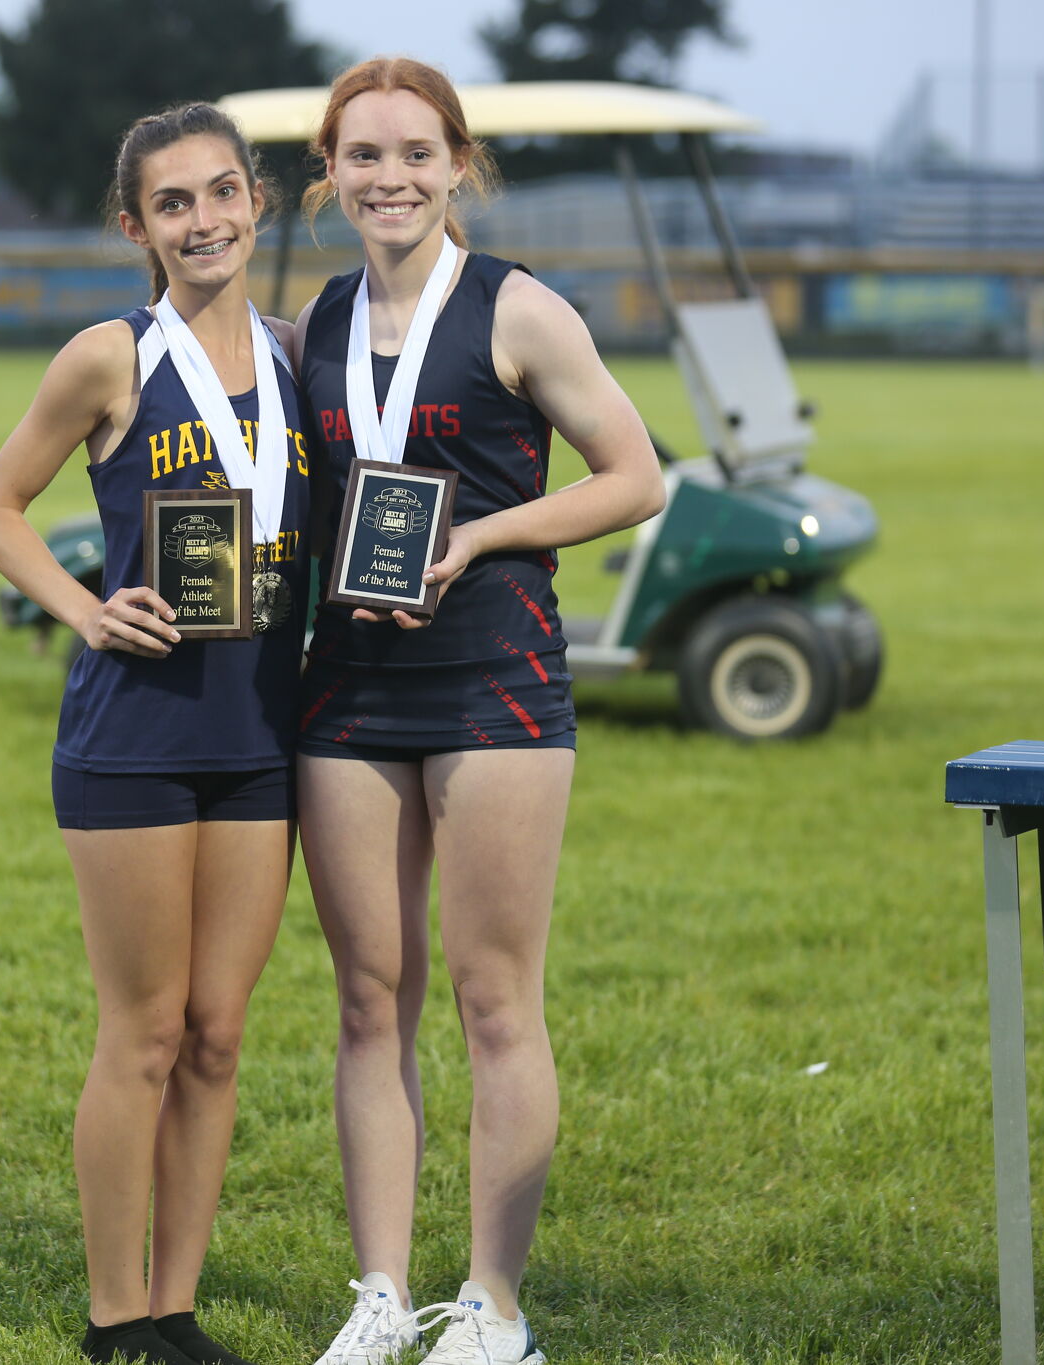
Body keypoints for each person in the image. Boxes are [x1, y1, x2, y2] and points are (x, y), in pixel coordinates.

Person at [289, 57, 666, 1365]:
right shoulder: (319, 320)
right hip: (345, 689)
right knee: (365, 1001)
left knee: (496, 1001)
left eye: (414, 154)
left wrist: (481, 536)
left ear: (461, 166)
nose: (388, 178)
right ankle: (380, 1295)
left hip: (495, 680)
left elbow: (635, 477)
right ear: (327, 175)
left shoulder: (523, 311)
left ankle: (494, 1308)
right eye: (362, 156)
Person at [0, 103, 312, 1365]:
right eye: (174, 203)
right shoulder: (106, 358)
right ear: (137, 227)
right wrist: (84, 609)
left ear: (256, 203)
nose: (204, 219)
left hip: (264, 736)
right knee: (146, 1030)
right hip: (133, 740)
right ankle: (116, 1320)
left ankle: (177, 1306)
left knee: (218, 1033)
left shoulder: (291, 352)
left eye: (223, 192)